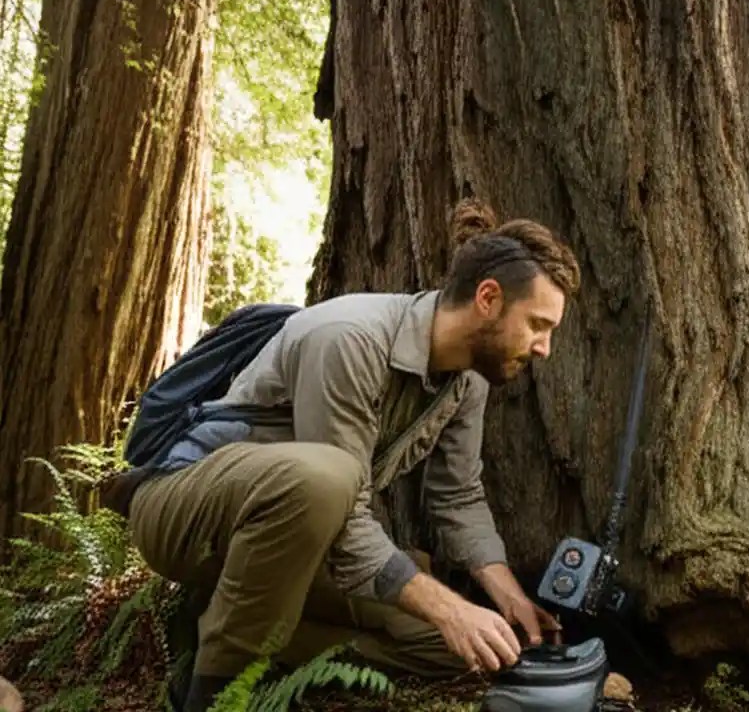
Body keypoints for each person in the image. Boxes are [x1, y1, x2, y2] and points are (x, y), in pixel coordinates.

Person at [115, 199, 581, 710]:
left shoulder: (469, 378)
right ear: (488, 298)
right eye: (538, 325)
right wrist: (446, 607)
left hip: (302, 543)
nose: (544, 348)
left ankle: (235, 631)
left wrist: (510, 602)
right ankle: (216, 689)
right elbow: (343, 507)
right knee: (331, 479)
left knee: (466, 649)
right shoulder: (348, 338)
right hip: (184, 510)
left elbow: (457, 495)